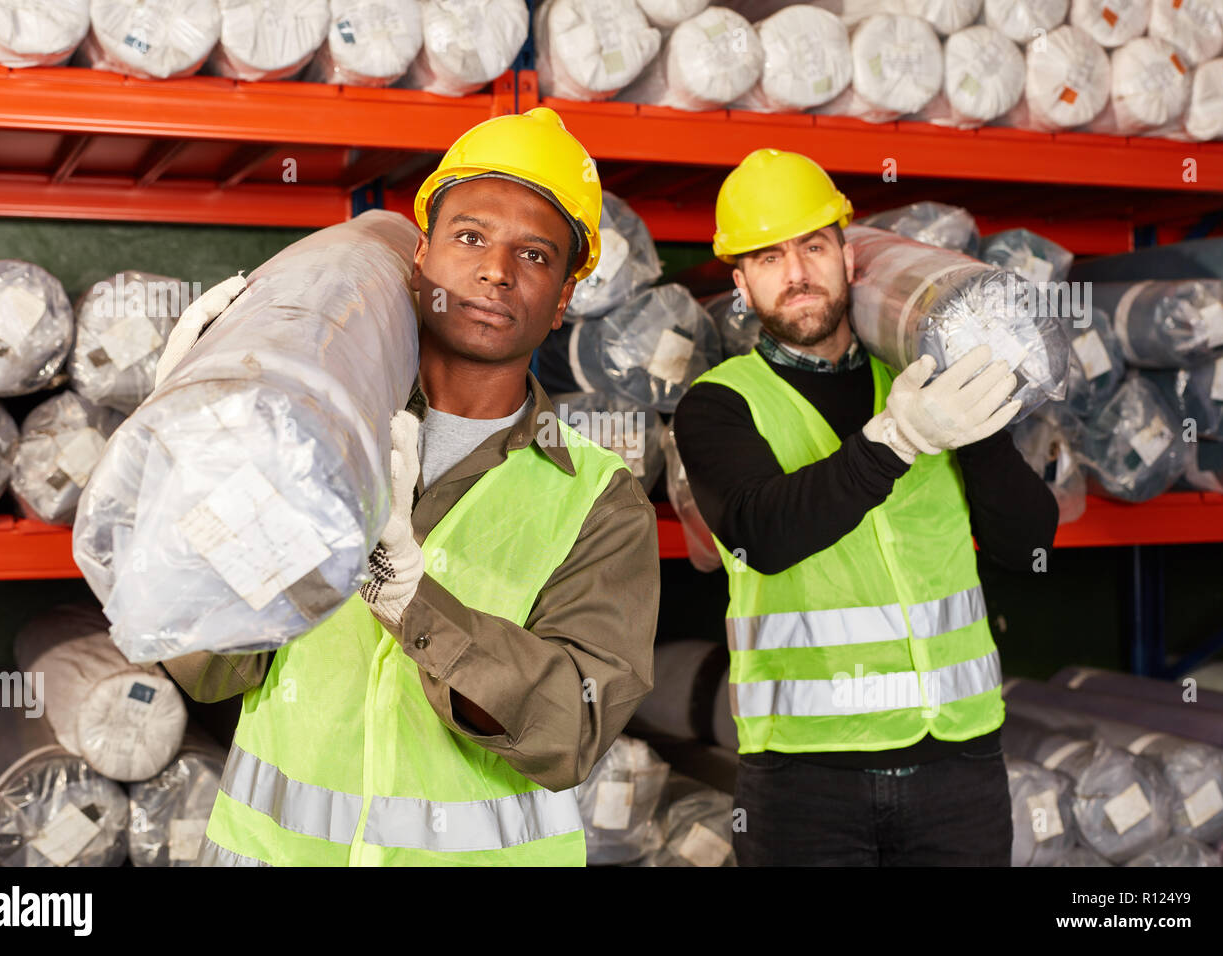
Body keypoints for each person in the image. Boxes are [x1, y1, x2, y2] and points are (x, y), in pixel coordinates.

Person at [159, 107, 660, 866]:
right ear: (421, 258)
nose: (496, 270)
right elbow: (208, 668)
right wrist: (201, 457)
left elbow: (574, 728)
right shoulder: (317, 441)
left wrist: (411, 603)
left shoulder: (597, 498)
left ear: (562, 300)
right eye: (470, 237)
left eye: (534, 255)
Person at [673, 148, 1059, 866]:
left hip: (960, 767)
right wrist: (900, 438)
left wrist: (975, 431)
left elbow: (1029, 543)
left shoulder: (923, 378)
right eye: (767, 258)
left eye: (813, 246)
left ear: (849, 258)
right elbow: (764, 533)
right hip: (805, 781)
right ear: (740, 284)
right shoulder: (719, 405)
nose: (796, 274)